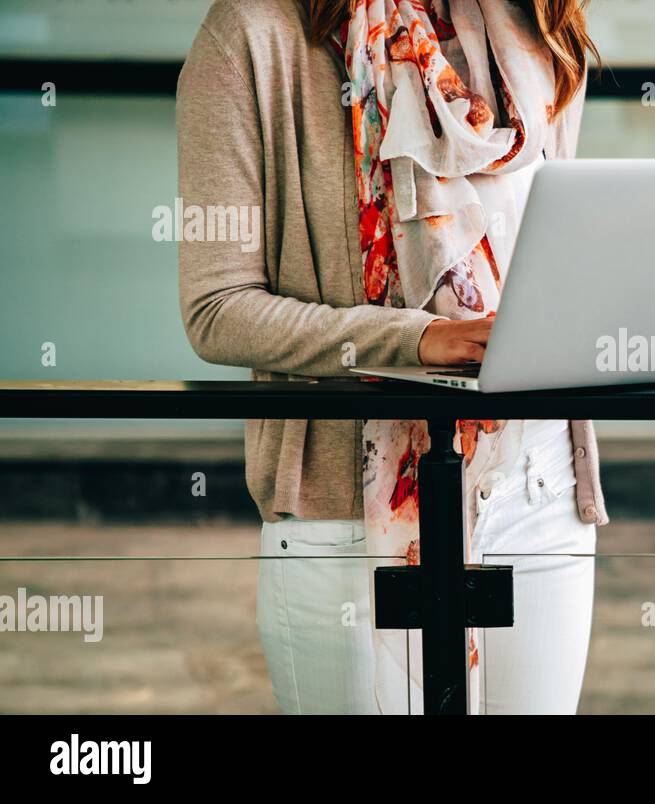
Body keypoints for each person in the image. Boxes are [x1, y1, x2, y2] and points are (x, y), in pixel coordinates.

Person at [177, 0, 607, 714]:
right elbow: (217, 308)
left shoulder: (538, 25)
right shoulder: (253, 36)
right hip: (345, 509)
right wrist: (413, 340)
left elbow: (548, 257)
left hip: (540, 491)